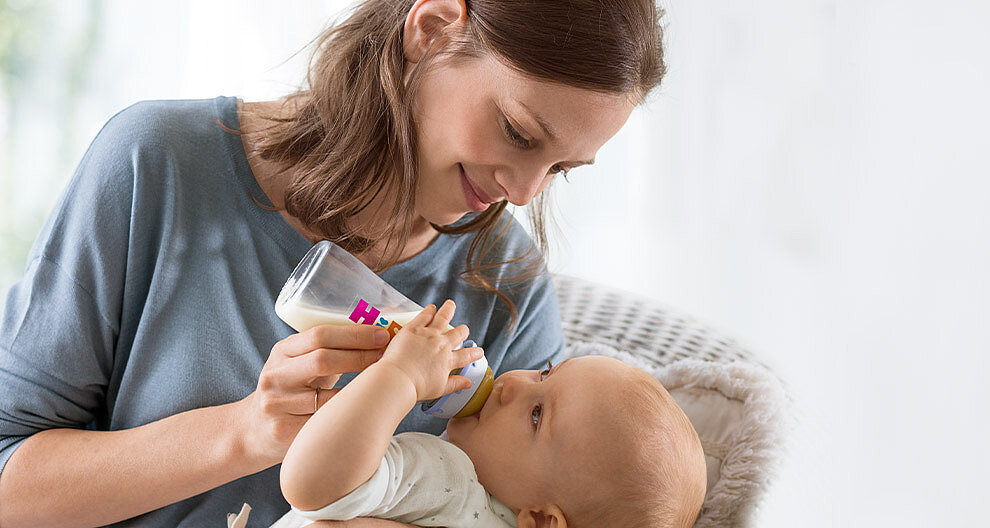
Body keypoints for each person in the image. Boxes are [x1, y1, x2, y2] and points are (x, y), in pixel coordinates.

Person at [0, 0, 666, 525]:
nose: (523, 193)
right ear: (431, 31)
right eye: (519, 133)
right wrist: (242, 434)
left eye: (562, 170)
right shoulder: (161, 166)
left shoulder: (505, 283)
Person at [256, 300, 707, 528]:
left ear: (542, 521)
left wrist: (400, 376)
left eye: (536, 415)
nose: (512, 382)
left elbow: (311, 484)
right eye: (545, 373)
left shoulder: (448, 479)